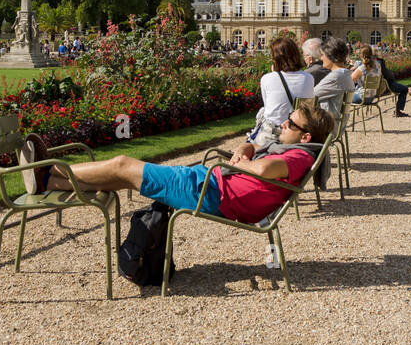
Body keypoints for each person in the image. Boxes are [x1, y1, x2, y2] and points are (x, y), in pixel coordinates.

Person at [24, 106, 332, 227]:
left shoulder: (299, 156)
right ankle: (51, 181)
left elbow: (265, 171)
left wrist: (244, 163)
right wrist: (244, 151)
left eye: (289, 123)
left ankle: (50, 170)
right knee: (125, 177)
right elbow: (255, 150)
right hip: (209, 185)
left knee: (122, 165)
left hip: (209, 193)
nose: (282, 123)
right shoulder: (293, 148)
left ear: (305, 135)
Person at [247, 37, 315, 148]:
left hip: (272, 135)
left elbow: (268, 106)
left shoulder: (267, 78)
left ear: (275, 58)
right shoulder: (308, 78)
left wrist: (275, 74)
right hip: (297, 134)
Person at [313, 36, 355, 118]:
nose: (321, 58)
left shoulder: (336, 77)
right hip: (336, 124)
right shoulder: (345, 74)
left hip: (327, 126)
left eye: (322, 55)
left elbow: (310, 97)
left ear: (331, 56)